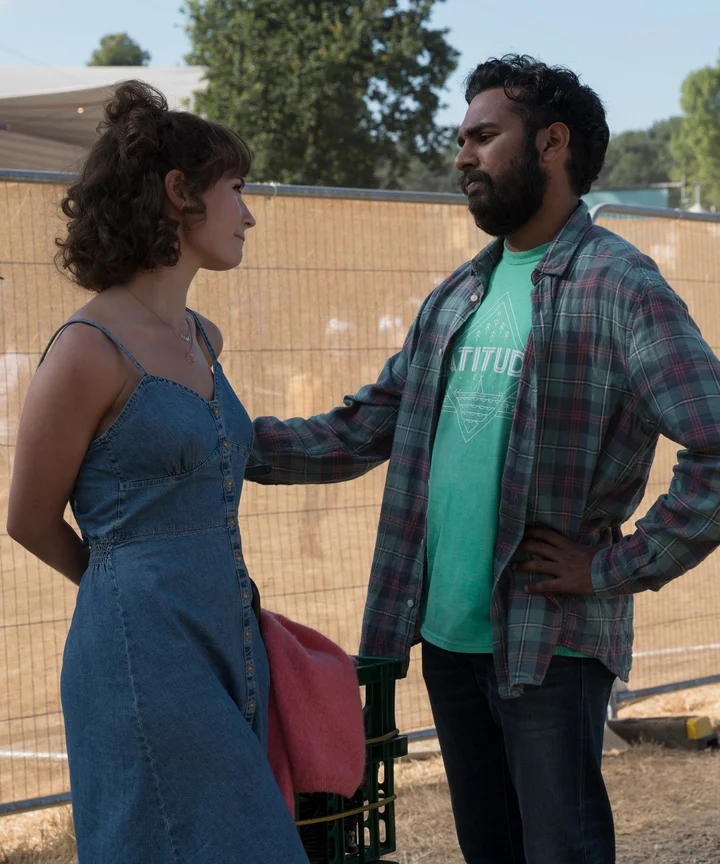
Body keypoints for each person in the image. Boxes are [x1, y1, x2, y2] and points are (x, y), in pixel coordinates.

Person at [246, 55, 720, 864]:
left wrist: (615, 566)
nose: (461, 156)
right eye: (461, 138)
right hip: (448, 643)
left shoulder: (621, 287)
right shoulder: (459, 295)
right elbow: (362, 428)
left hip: (550, 643)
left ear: (552, 143)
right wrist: (222, 438)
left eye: (483, 136)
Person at [7, 81, 309, 864]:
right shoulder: (86, 349)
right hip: (141, 652)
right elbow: (28, 519)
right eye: (236, 188)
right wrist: (129, 594)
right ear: (180, 192)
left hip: (228, 635)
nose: (248, 214)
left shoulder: (204, 337)